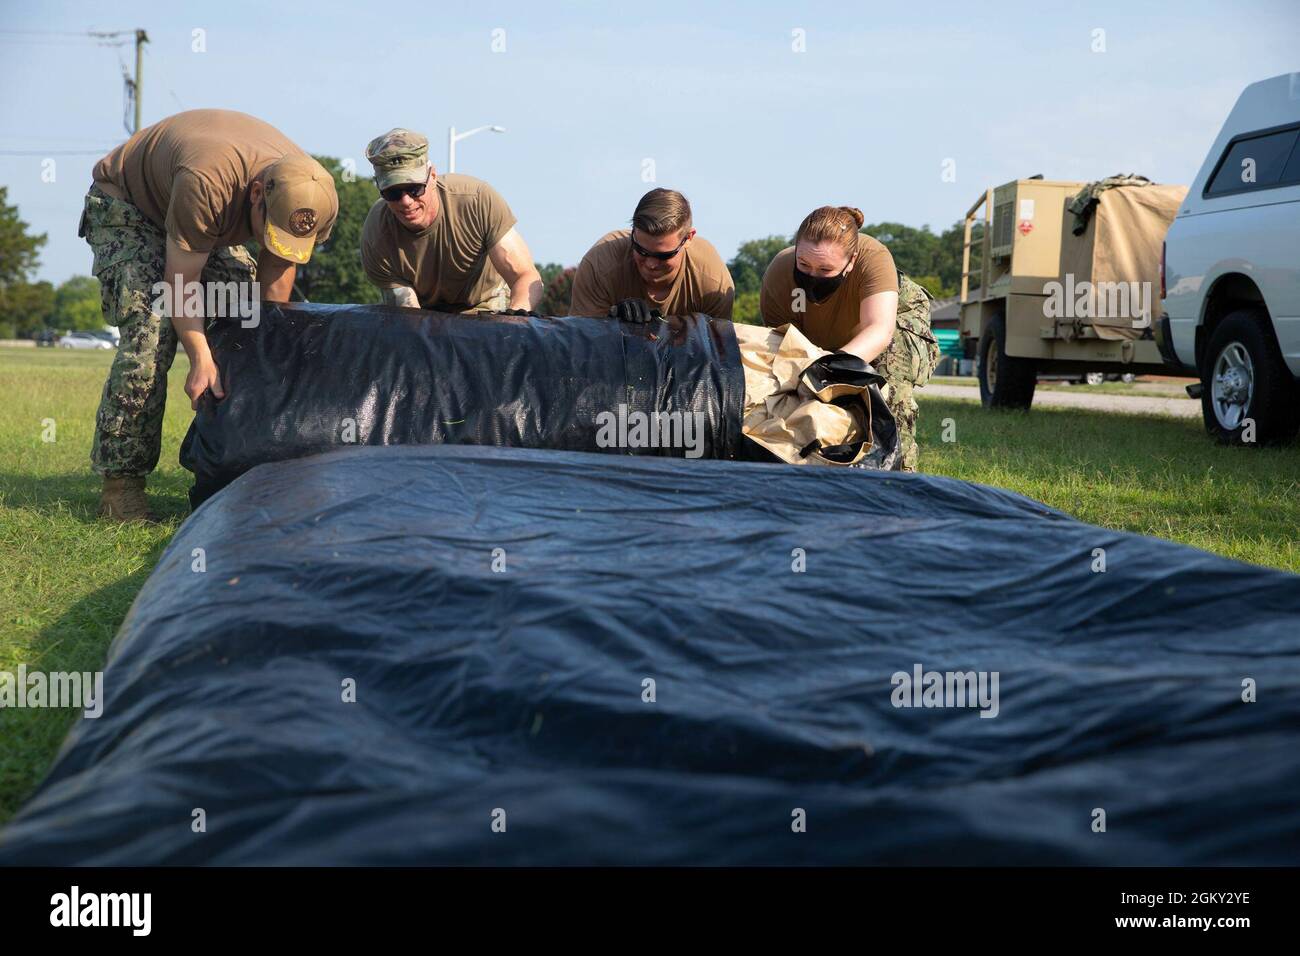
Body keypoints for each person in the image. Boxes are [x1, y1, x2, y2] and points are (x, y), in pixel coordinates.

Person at [83, 108, 339, 521]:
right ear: (256, 194)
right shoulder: (208, 184)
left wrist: (266, 341)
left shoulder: (313, 195)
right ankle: (121, 485)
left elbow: (277, 269)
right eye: (268, 229)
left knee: (244, 325)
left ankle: (230, 463)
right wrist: (201, 357)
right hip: (131, 207)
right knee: (153, 334)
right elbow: (180, 283)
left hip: (207, 219)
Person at [759, 205, 936, 471]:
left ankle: (899, 475)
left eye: (825, 270)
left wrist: (827, 369)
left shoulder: (873, 258)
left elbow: (879, 331)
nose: (812, 276)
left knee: (888, 383)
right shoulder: (780, 273)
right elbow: (782, 347)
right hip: (830, 339)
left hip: (893, 321)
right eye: (804, 265)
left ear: (851, 261)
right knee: (792, 387)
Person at [360, 129, 541, 313]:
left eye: (414, 189)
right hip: (426, 318)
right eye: (392, 193)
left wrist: (515, 321)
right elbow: (410, 316)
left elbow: (525, 276)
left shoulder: (476, 201)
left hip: (489, 308)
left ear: (432, 176)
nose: (406, 201)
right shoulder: (377, 234)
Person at [569, 188, 734, 322]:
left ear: (688, 238)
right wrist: (612, 324)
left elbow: (717, 354)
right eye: (641, 251)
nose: (651, 264)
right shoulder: (600, 266)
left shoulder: (712, 281)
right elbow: (581, 350)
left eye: (664, 256)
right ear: (633, 233)